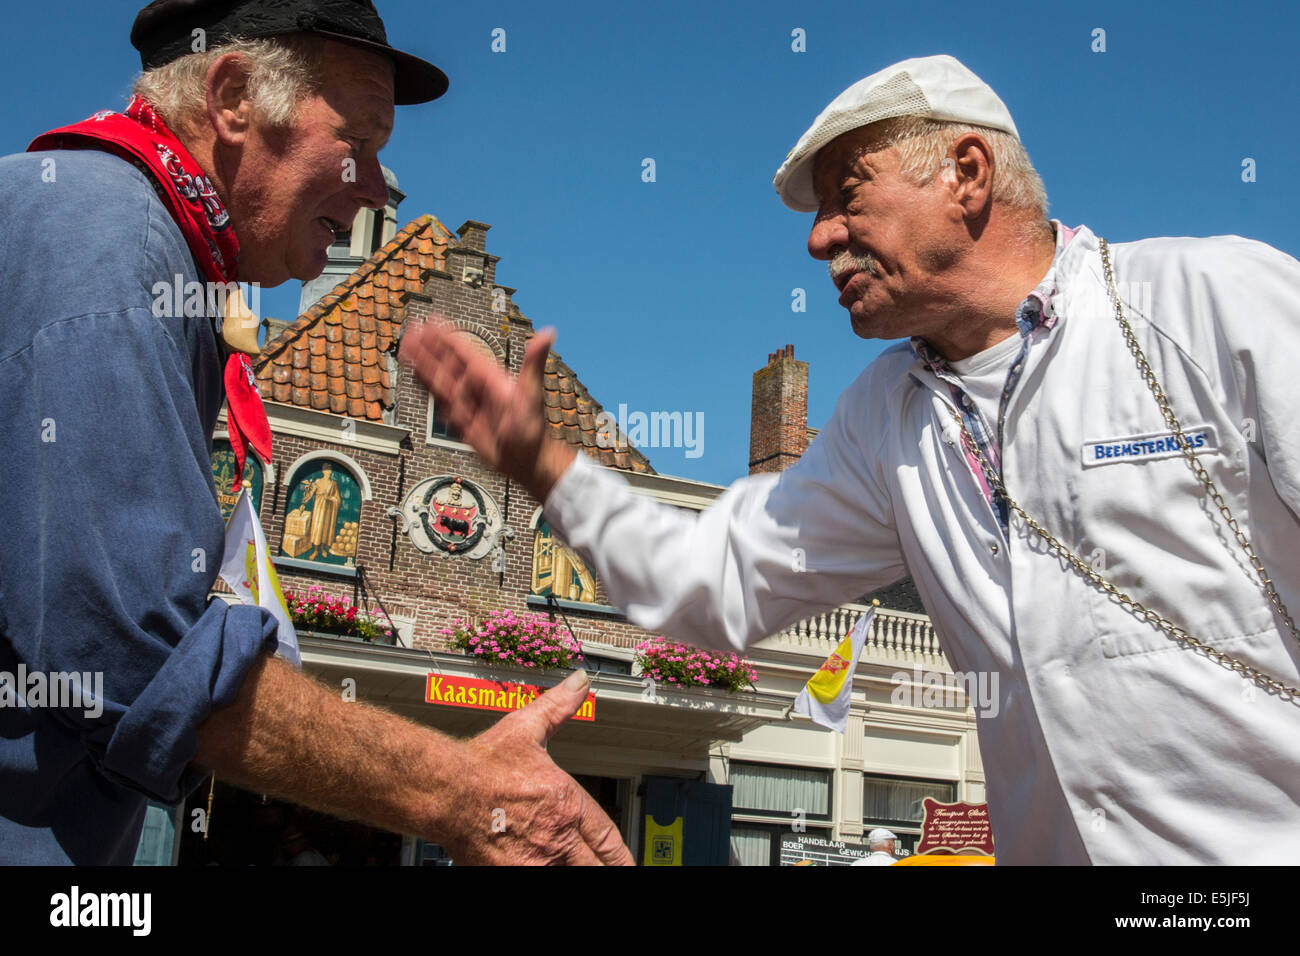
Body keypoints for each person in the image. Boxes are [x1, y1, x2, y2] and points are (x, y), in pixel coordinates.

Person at [400, 54, 1300, 865]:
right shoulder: (882, 414)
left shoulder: (1211, 304)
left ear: (967, 174)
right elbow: (711, 582)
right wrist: (543, 464)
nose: (818, 238)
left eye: (847, 195)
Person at [0, 0, 631, 866]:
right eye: (356, 144)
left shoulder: (139, 249)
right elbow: (139, 652)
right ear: (232, 98)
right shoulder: (110, 241)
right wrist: (460, 790)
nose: (375, 188)